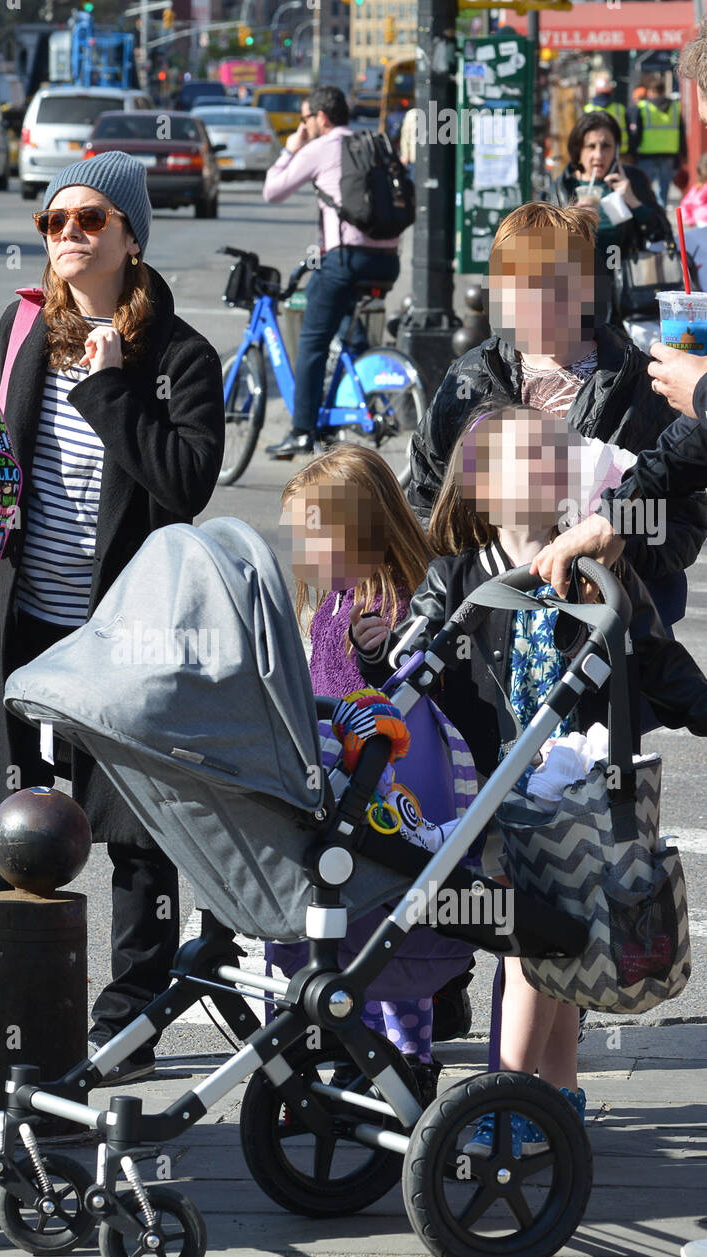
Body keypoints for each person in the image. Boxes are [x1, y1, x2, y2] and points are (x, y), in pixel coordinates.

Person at [0, 151, 224, 1086]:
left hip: (126, 632)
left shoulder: (179, 356)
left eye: (90, 220)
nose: (68, 236)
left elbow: (185, 485)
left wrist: (109, 391)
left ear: (132, 237)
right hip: (26, 620)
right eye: (54, 221)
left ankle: (129, 1022)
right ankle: (0, 1017)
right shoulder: (24, 327)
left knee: (137, 830)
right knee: (10, 819)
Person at [357, 401, 707, 1152]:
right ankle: (523, 1098)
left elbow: (657, 659)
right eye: (532, 457)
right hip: (487, 795)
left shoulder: (598, 569)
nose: (554, 468)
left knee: (557, 943)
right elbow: (414, 661)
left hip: (575, 796)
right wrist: (382, 650)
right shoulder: (457, 574)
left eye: (559, 455)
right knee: (534, 944)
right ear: (482, 485)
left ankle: (541, 1098)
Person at [407, 200, 703, 636]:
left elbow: (681, 515)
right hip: (488, 626)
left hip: (606, 626)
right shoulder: (470, 377)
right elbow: (426, 497)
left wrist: (610, 548)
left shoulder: (643, 383)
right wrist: (462, 577)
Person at [275, 446, 456, 1098]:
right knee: (362, 933)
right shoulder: (336, 600)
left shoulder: (391, 605)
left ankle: (407, 1061)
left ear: (360, 529)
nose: (299, 550)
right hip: (343, 788)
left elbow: (406, 698)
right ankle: (371, 1054)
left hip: (384, 793)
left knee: (381, 934)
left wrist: (374, 654)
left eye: (311, 535)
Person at [535, 20, 707, 597]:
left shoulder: (632, 184)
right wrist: (615, 518)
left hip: (630, 316)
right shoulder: (560, 191)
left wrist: (701, 391)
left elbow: (660, 237)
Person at [260, 84, 402, 460]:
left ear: (320, 117)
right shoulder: (373, 142)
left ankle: (301, 431)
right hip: (387, 260)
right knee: (345, 328)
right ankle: (355, 395)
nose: (303, 125)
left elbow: (272, 191)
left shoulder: (321, 147)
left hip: (345, 260)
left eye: (305, 118)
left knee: (313, 341)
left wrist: (291, 148)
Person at [548, 112, 672, 325]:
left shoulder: (632, 179)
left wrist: (633, 201)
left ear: (616, 149)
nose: (598, 155)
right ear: (578, 150)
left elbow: (663, 235)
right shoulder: (562, 188)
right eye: (591, 146)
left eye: (606, 146)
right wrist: (571, 222)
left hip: (627, 298)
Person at [628, 72, 686, 208]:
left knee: (643, 187)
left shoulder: (643, 106)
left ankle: (647, 213)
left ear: (650, 91)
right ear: (663, 90)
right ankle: (662, 212)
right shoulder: (675, 106)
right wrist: (684, 153)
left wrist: (632, 152)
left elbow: (636, 133)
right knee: (663, 189)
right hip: (669, 153)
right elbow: (681, 131)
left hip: (647, 153)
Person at [582, 72, 630, 157]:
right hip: (620, 152)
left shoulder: (588, 109)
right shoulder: (620, 108)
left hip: (596, 155)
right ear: (611, 89)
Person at [678, 151, 707, 227]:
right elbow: (687, 203)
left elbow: (686, 203)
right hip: (702, 221)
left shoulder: (698, 188)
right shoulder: (700, 188)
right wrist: (690, 219)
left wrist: (690, 219)